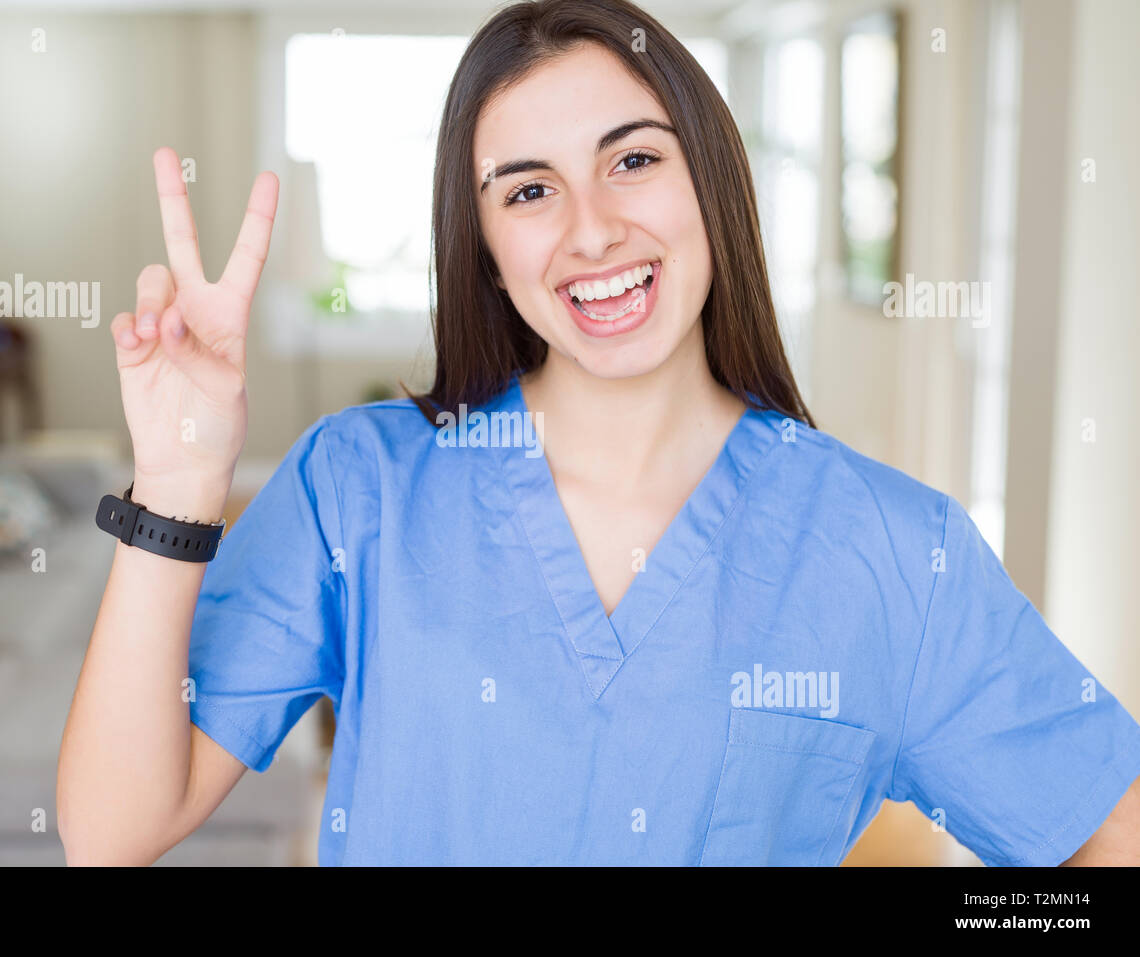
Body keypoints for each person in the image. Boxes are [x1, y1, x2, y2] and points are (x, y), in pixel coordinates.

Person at [57, 0, 1140, 866]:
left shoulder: (895, 553)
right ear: (482, 247)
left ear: (710, 181)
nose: (590, 229)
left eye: (632, 160)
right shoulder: (359, 489)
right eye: (528, 190)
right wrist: (179, 476)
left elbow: (1107, 826)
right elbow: (111, 836)